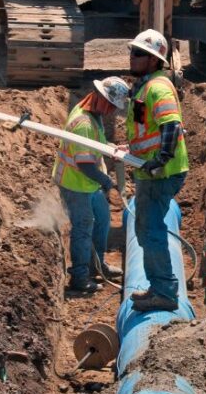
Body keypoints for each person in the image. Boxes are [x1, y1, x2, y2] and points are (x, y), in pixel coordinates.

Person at [124, 29, 190, 313]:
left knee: (150, 230)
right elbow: (145, 129)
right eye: (132, 51)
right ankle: (158, 287)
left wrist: (160, 159)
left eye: (139, 54)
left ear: (153, 60)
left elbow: (171, 126)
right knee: (145, 228)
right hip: (148, 170)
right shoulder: (144, 88)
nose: (132, 57)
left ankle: (163, 292)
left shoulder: (158, 88)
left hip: (159, 173)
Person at [54, 76, 130, 296]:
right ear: (101, 98)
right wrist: (107, 182)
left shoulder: (91, 112)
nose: (112, 112)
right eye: (111, 106)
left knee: (103, 221)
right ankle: (79, 277)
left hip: (88, 183)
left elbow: (95, 145)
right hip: (75, 183)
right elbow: (85, 165)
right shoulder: (84, 124)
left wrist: (113, 148)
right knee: (83, 228)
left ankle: (97, 265)